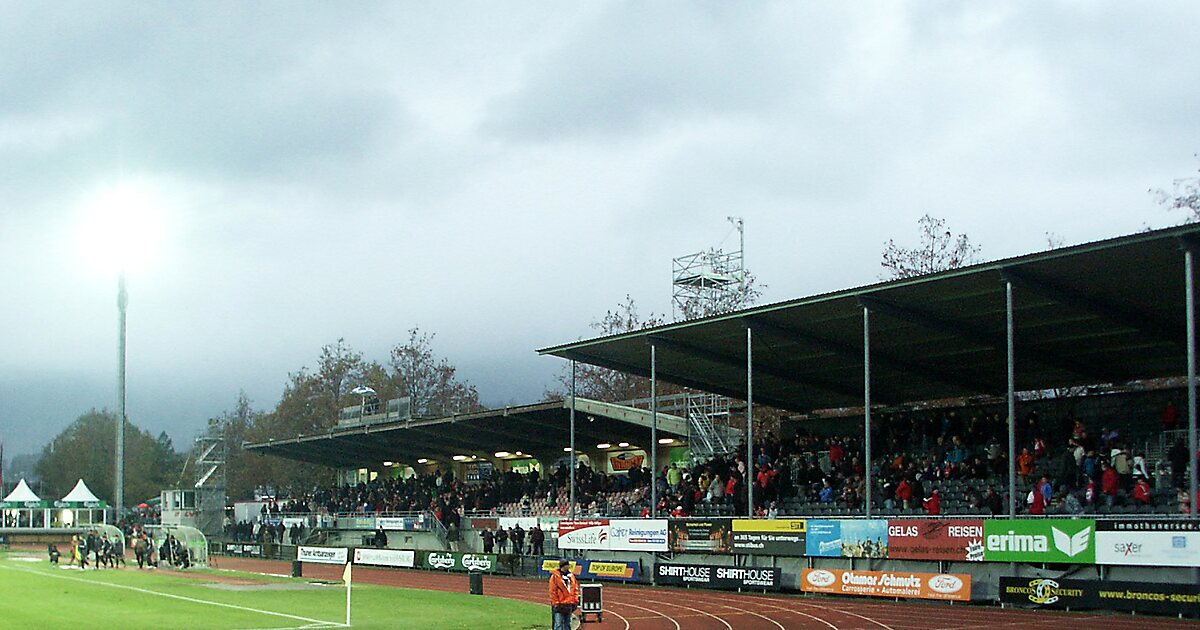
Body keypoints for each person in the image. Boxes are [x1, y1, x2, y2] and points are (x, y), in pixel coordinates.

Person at [548, 559, 580, 630]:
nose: (569, 566)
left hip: (569, 604)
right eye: (567, 565)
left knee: (567, 624)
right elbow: (553, 591)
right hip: (559, 604)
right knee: (558, 625)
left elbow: (575, 588)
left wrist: (575, 600)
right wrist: (556, 602)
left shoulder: (571, 576)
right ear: (564, 566)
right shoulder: (555, 577)